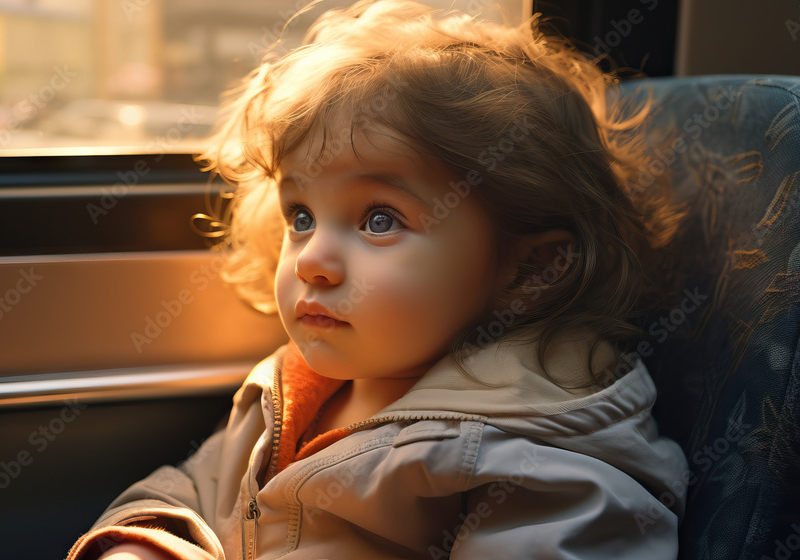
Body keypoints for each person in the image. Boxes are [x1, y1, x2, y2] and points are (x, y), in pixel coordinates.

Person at [68, 1, 688, 558]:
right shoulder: (301, 388)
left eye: (379, 219)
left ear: (528, 268)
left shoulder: (541, 465)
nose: (312, 259)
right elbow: (197, 490)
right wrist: (150, 545)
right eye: (301, 216)